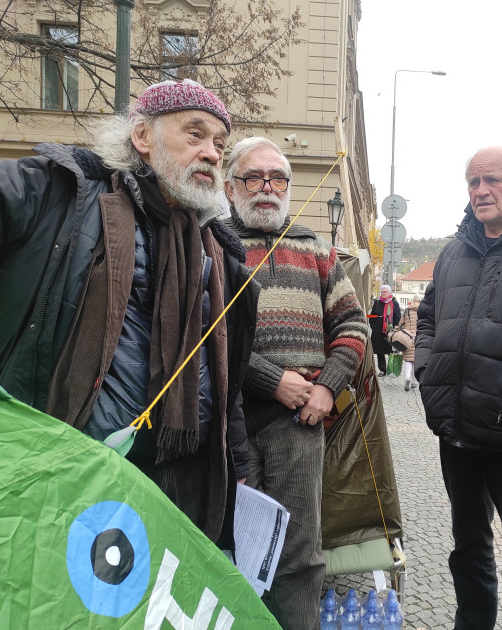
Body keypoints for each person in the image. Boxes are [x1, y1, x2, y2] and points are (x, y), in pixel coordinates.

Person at [0, 79, 258, 547]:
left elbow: (222, 384)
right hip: (58, 480)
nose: (214, 154)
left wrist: (236, 464)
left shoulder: (220, 255)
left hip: (172, 493)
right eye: (194, 134)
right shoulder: (63, 194)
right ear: (142, 137)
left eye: (220, 143)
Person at [223, 136, 368, 630]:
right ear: (230, 187)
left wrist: (326, 387)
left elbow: (354, 326)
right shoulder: (210, 242)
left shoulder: (315, 248)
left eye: (277, 178)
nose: (267, 187)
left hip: (300, 425)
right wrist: (270, 379)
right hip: (226, 422)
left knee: (300, 557)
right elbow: (200, 335)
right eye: (253, 177)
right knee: (233, 552)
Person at [414, 145, 502, 630]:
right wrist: (426, 369)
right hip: (456, 429)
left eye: (492, 180)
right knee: (468, 548)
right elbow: (428, 318)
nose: (480, 191)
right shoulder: (454, 251)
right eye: (473, 182)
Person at [369, 284, 401, 376]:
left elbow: (397, 317)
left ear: (389, 292)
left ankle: (391, 368)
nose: (383, 293)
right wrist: (373, 325)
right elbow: (372, 315)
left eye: (385, 292)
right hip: (378, 331)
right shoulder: (377, 303)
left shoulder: (394, 303)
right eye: (382, 292)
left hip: (389, 331)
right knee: (380, 351)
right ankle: (383, 370)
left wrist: (395, 327)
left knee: (390, 350)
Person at [397, 293, 421, 391]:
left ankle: (407, 377)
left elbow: (400, 323)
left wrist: (398, 327)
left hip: (407, 337)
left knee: (408, 359)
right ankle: (414, 381)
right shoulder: (422, 311)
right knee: (416, 360)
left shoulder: (407, 310)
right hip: (419, 338)